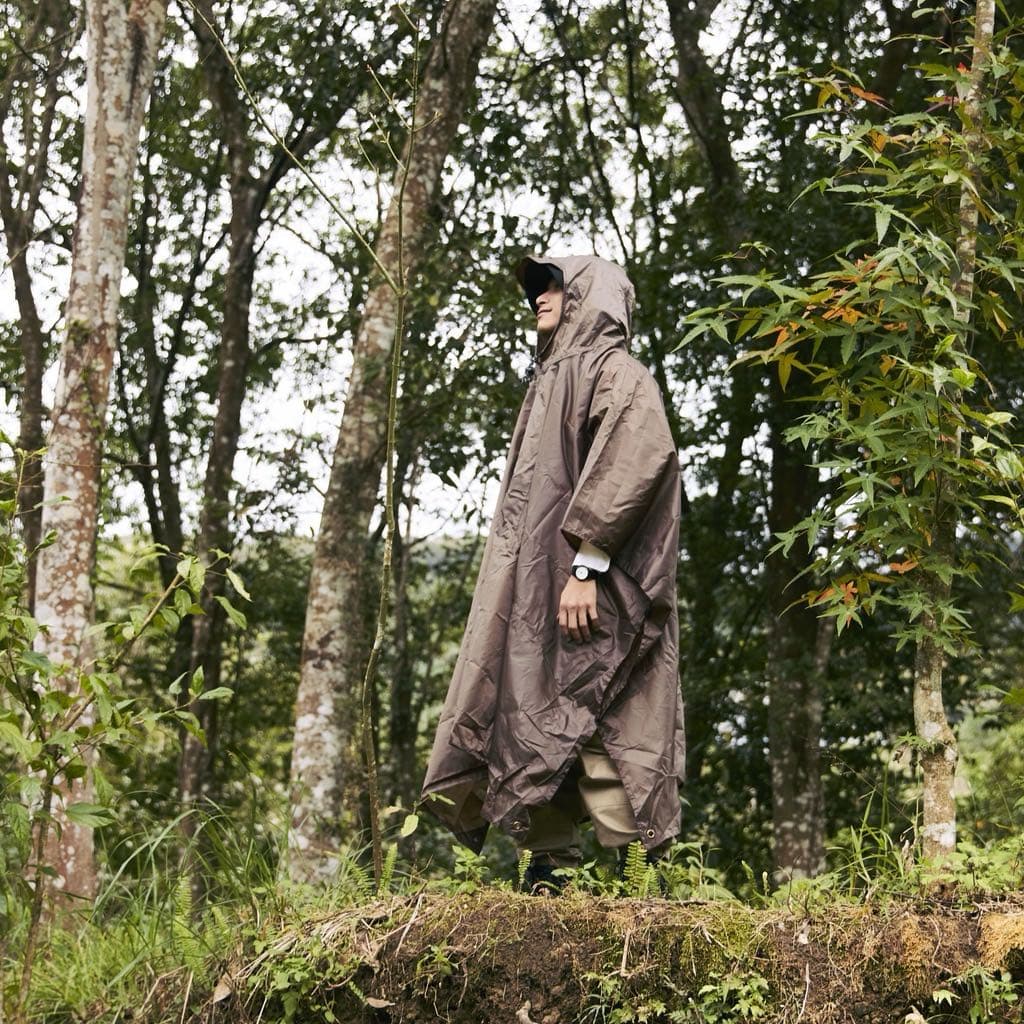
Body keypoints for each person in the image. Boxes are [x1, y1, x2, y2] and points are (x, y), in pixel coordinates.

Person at [420, 254, 684, 889]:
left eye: (554, 284)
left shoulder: (616, 374)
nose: (539, 295)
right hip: (539, 592)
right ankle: (551, 869)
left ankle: (637, 882)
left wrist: (588, 567)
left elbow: (638, 459)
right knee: (530, 711)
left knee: (600, 710)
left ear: (589, 295)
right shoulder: (549, 381)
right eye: (536, 287)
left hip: (592, 593)